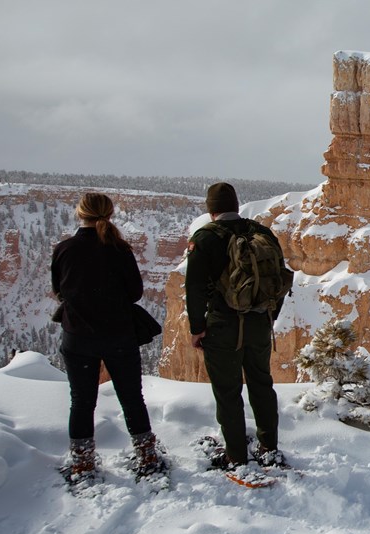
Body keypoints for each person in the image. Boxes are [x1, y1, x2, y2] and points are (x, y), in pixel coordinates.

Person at [52, 192, 168, 485]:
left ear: (81, 214)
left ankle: (82, 463)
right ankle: (146, 455)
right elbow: (135, 293)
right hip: (118, 335)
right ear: (109, 214)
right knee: (131, 398)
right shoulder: (119, 249)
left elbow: (60, 291)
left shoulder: (65, 249)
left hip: (78, 337)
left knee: (81, 401)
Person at [185, 182, 287, 470]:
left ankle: (236, 456)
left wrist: (197, 328)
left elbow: (194, 288)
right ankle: (269, 446)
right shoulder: (260, 232)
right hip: (259, 323)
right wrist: (269, 317)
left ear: (211, 209)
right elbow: (278, 280)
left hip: (223, 325)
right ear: (236, 204)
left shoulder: (205, 238)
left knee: (228, 391)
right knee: (261, 384)